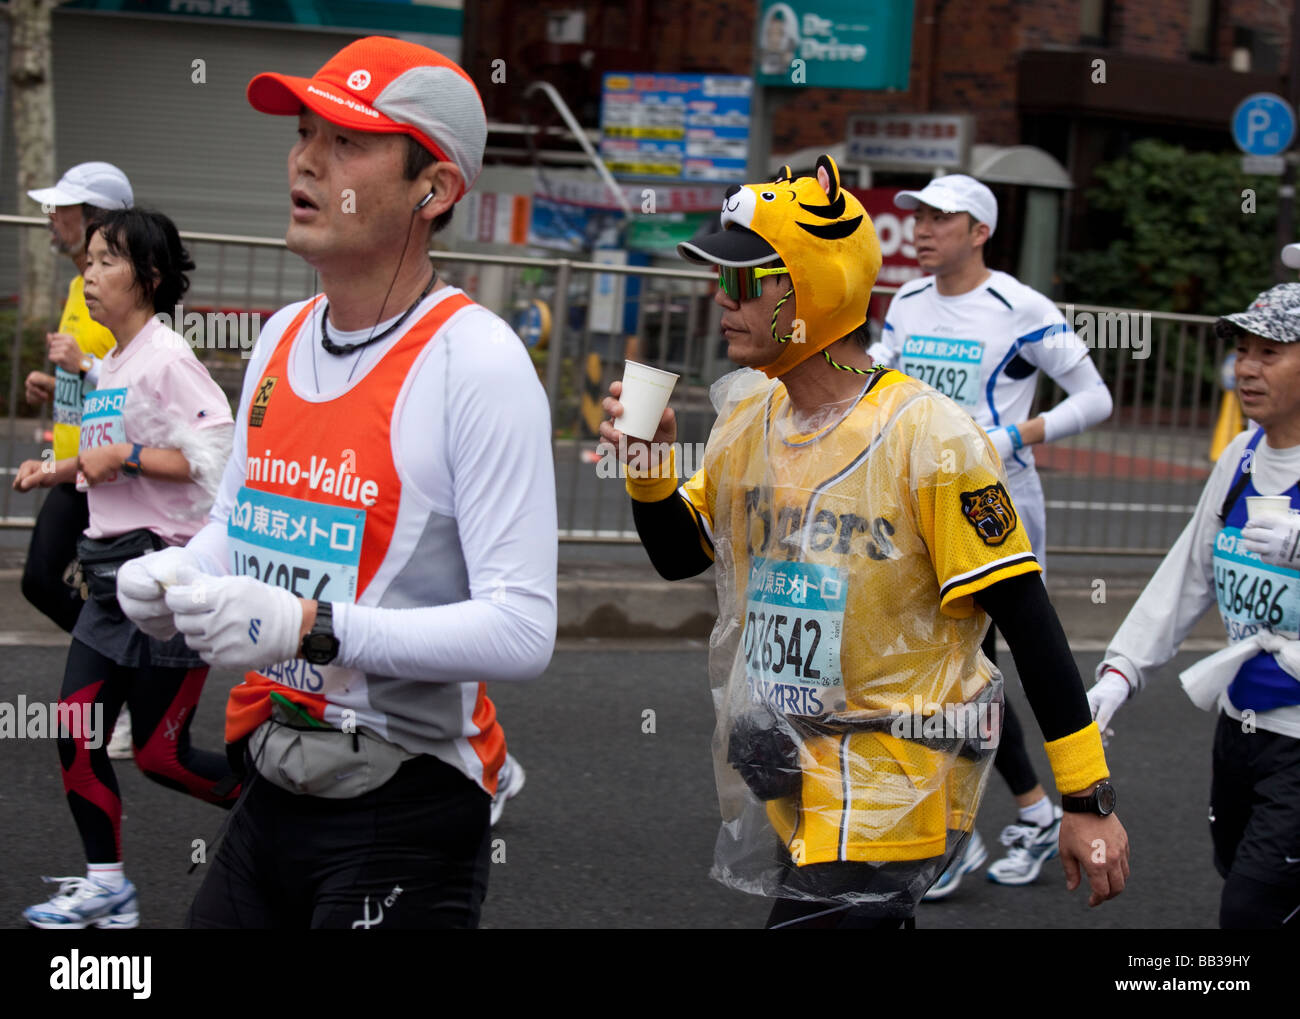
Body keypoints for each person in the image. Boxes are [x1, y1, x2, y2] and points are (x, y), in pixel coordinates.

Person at [601, 155, 1128, 928]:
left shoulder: (931, 436)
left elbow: (1028, 617)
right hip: (791, 770)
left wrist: (1085, 798)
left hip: (892, 778)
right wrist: (647, 467)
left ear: (815, 288)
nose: (725, 299)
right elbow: (683, 555)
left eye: (750, 281)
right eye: (722, 279)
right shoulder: (750, 416)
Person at [117, 36, 556, 928]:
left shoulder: (477, 361)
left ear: (433, 191)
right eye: (305, 133)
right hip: (273, 778)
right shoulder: (281, 335)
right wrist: (177, 569)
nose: (307, 159)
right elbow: (239, 518)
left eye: (348, 142)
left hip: (407, 800)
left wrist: (315, 627)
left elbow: (524, 629)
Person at [867, 174, 1114, 897]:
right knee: (933, 662)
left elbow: (1095, 396)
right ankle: (1019, 811)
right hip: (913, 501)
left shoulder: (1019, 307)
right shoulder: (907, 301)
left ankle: (969, 825)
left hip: (994, 509)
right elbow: (886, 377)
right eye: (917, 216)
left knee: (973, 666)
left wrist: (1007, 437)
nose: (921, 228)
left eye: (942, 218)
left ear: (980, 232)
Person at [14, 208, 239, 928]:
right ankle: (107, 884)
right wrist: (56, 471)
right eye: (89, 259)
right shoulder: (111, 359)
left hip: (169, 582)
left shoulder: (169, 357)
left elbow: (217, 457)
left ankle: (279, 811)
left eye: (106, 258)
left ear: (147, 276)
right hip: (113, 584)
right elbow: (108, 451)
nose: (90, 268)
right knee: (74, 728)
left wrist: (129, 458)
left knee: (161, 756)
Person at [1092, 283, 1300, 929]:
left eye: (1270, 351)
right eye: (1242, 349)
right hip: (1239, 726)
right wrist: (1120, 671)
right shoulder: (1239, 456)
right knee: (1242, 874)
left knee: (1249, 909)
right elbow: (1186, 575)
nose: (1247, 367)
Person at [20, 162, 137, 759]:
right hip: (75, 472)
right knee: (49, 583)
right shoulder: (76, 284)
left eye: (64, 209)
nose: (52, 218)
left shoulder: (128, 289)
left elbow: (139, 383)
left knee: (61, 584)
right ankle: (130, 684)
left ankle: (121, 695)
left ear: (96, 219)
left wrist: (83, 369)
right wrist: (56, 382)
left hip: (112, 475)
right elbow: (89, 383)